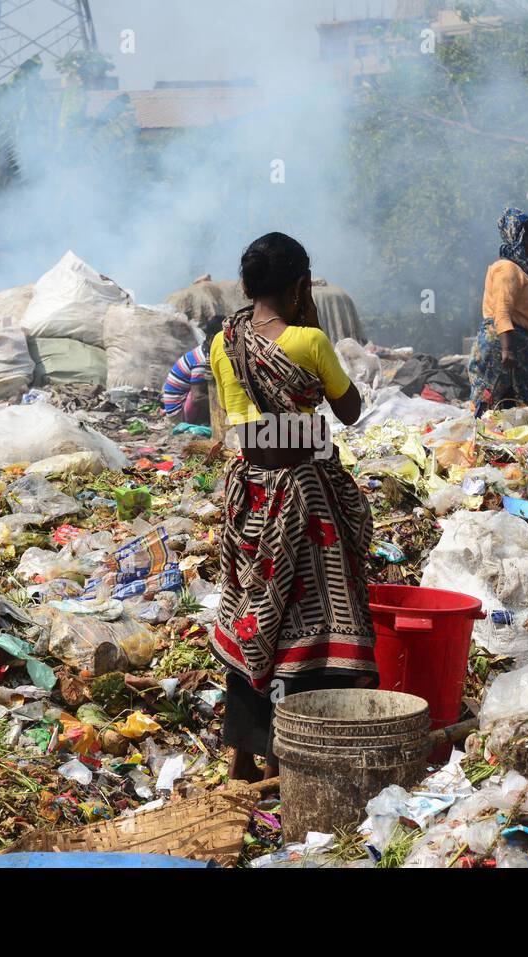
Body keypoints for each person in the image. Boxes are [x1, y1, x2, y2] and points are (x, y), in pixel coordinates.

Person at [208, 232, 376, 782]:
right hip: (303, 495)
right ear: (301, 285)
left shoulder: (223, 341)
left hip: (246, 492)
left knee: (254, 613)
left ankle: (242, 755)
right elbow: (349, 412)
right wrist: (314, 332)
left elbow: (239, 420)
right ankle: (292, 752)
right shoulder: (308, 342)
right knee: (315, 620)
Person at [469, 206, 528, 415]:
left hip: (518, 349)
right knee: (488, 408)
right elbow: (502, 311)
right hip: (502, 349)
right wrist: (507, 350)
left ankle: (516, 446)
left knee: (515, 411)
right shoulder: (507, 269)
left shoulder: (517, 268)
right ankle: (480, 444)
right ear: (519, 240)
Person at [161, 316, 223, 426]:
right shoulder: (202, 360)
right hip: (178, 414)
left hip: (178, 408)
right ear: (213, 338)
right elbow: (197, 397)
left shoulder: (203, 353)